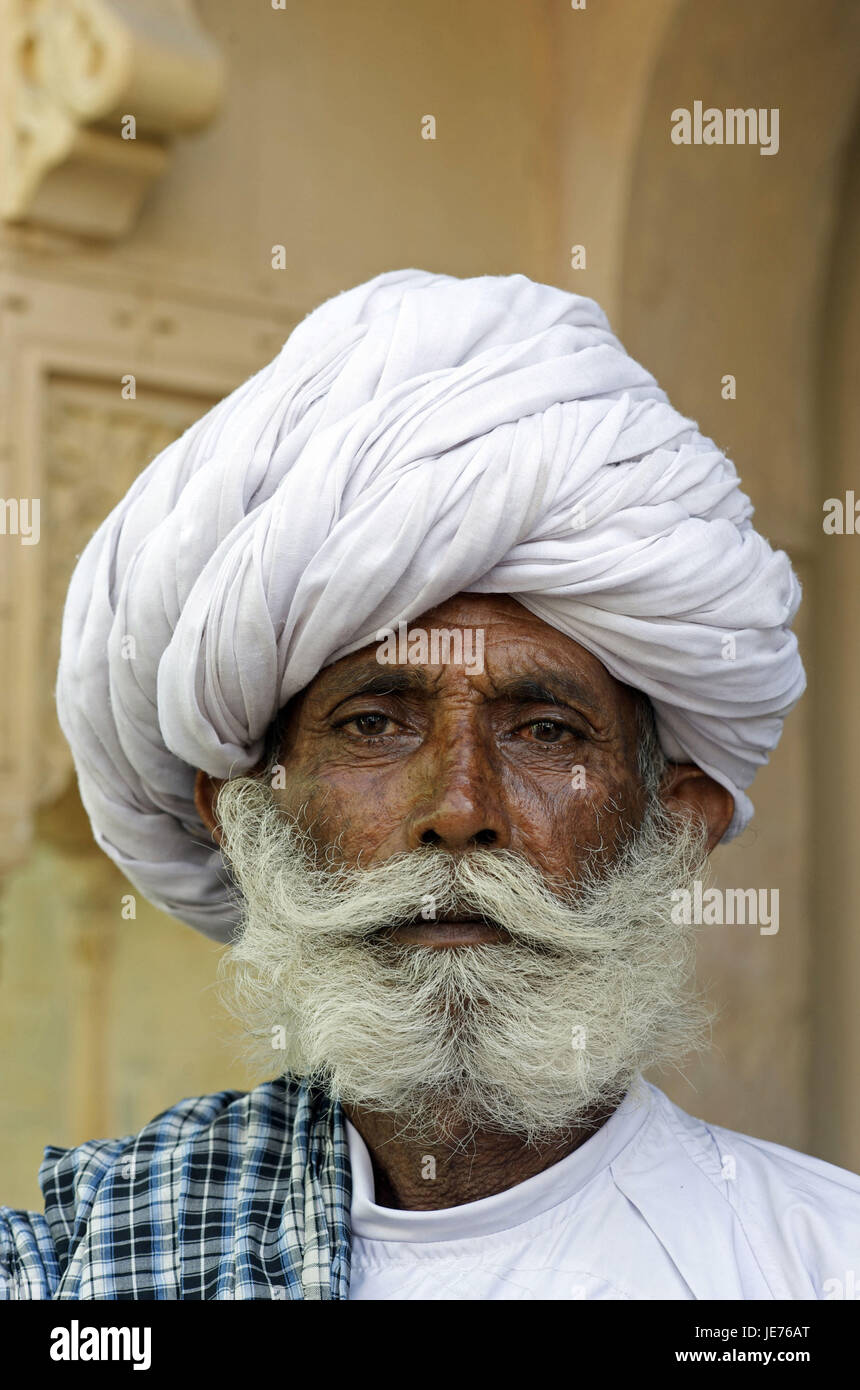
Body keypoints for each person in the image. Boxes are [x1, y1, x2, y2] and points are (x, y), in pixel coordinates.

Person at [2, 270, 857, 1300]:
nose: (458, 810)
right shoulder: (83, 1270)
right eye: (373, 724)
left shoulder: (815, 1265)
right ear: (243, 817)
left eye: (544, 730)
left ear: (672, 828)